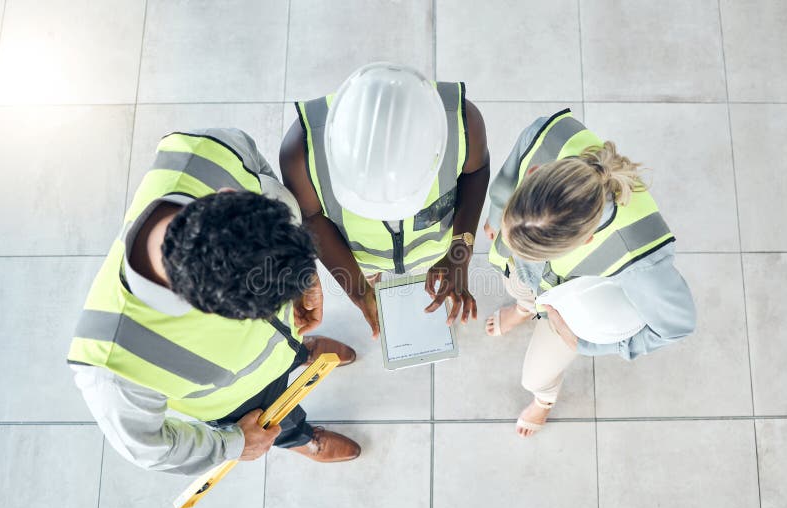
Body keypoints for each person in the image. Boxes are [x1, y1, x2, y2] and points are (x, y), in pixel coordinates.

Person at [67, 128, 361, 475]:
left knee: (291, 345)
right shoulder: (111, 367)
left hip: (282, 340)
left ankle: (303, 351)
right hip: (241, 399)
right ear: (211, 310)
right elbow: (147, 447)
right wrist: (234, 443)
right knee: (281, 422)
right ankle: (301, 437)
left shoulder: (205, 151)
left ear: (227, 195)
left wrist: (303, 276)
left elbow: (263, 178)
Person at [484, 109, 696, 437]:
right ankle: (525, 308)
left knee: (535, 377)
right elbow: (505, 184)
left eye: (530, 251)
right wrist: (498, 215)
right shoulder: (546, 135)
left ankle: (544, 400)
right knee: (515, 282)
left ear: (586, 239)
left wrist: (582, 344)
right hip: (538, 284)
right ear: (536, 173)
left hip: (566, 313)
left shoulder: (641, 262)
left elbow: (676, 326)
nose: (509, 247)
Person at [280, 63, 490, 337]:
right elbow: (311, 216)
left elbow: (477, 170)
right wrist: (358, 288)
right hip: (360, 256)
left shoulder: (464, 121)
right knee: (369, 275)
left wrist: (460, 251)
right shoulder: (300, 152)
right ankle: (372, 275)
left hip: (432, 249)